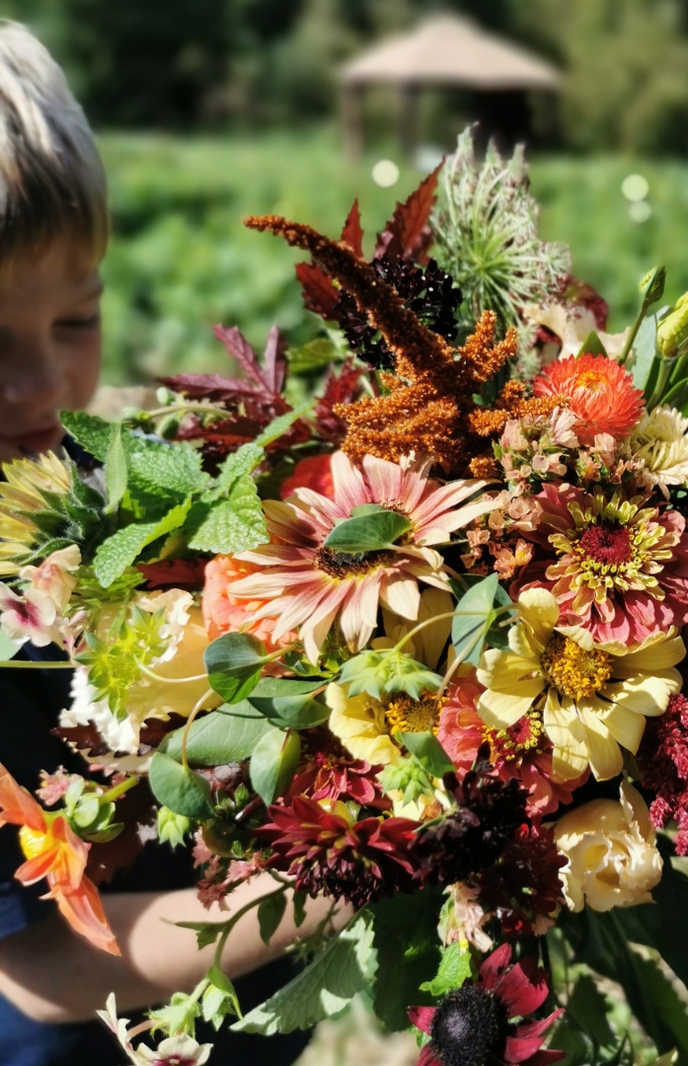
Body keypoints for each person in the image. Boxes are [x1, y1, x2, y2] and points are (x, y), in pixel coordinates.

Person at [0, 21, 335, 1064]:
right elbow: (44, 975)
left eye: (76, 322)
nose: (44, 387)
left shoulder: (122, 493)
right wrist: (336, 879)